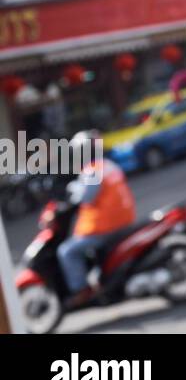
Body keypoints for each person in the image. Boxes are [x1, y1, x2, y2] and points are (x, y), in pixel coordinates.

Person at [57, 130, 136, 306]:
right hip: (124, 220)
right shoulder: (108, 165)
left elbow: (86, 197)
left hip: (104, 227)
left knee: (67, 251)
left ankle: (82, 291)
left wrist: (73, 188)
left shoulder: (92, 171)